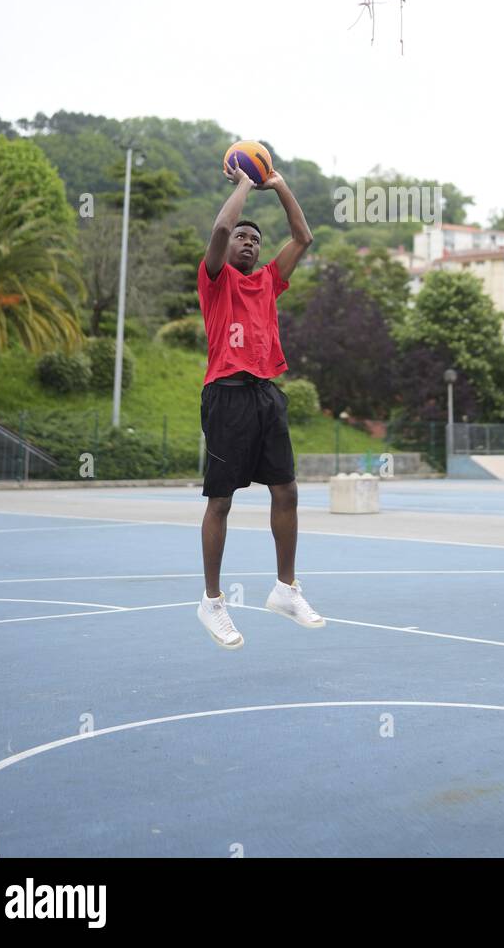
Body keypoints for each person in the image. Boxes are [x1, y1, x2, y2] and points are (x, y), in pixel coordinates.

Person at [196, 159, 324, 649]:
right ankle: (211, 601)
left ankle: (286, 589)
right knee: (222, 500)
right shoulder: (215, 279)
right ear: (226, 250)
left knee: (287, 491)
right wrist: (247, 183)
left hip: (266, 393)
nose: (247, 241)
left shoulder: (269, 280)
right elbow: (223, 224)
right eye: (241, 239)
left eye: (255, 239)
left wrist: (281, 185)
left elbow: (304, 237)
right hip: (226, 393)